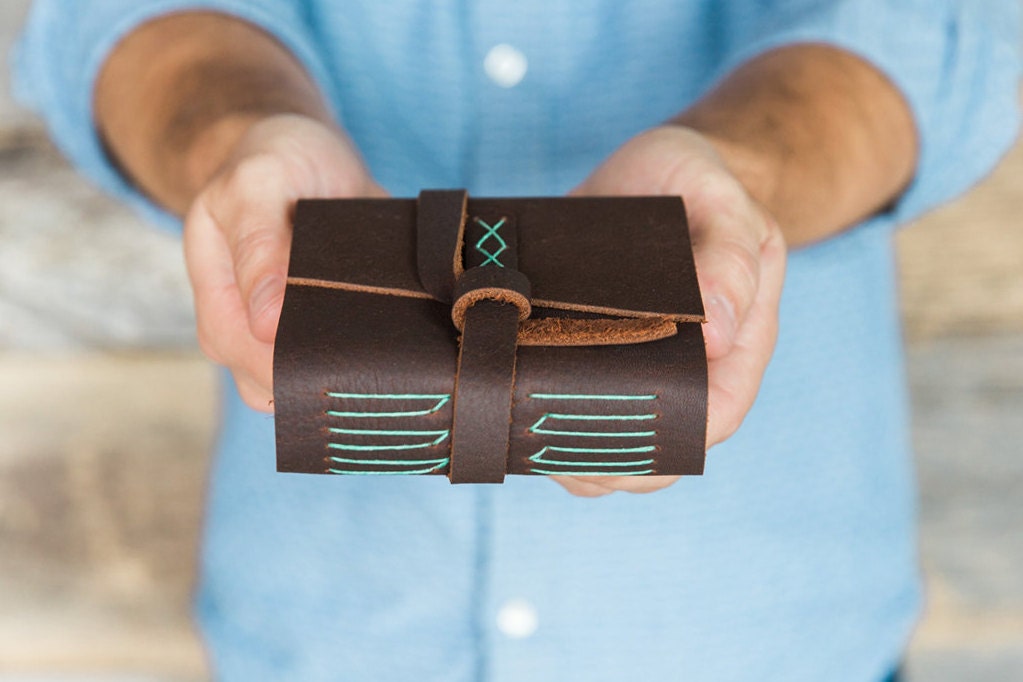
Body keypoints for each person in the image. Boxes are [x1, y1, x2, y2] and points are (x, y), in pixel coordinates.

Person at [14, 1, 1020, 680]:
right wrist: (235, 135)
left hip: (762, 631)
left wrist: (744, 172)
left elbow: (935, 27)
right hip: (332, 623)